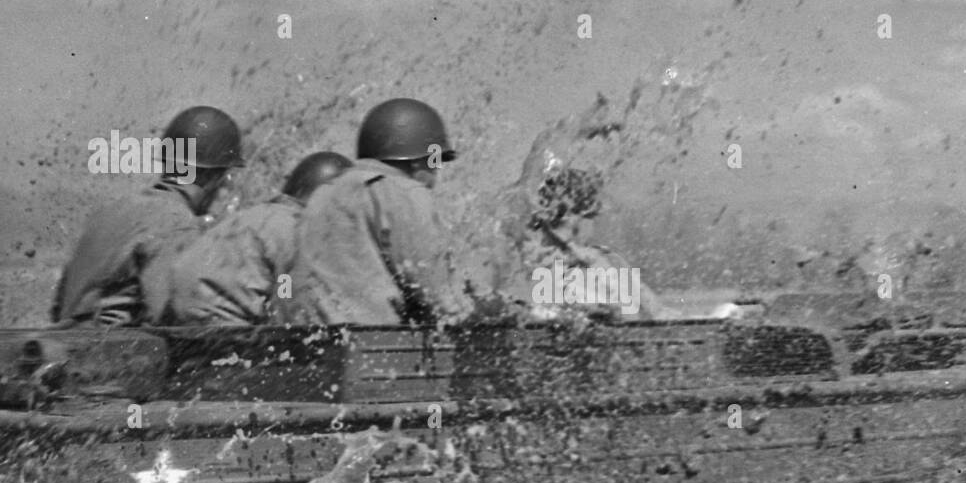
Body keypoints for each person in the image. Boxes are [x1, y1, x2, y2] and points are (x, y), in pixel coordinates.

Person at [276, 98, 469, 326]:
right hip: (372, 347)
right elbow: (439, 296)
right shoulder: (404, 192)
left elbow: (284, 283)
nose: (436, 175)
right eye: (435, 162)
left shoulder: (324, 193)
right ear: (419, 162)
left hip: (303, 343)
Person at [51, 106, 244, 327]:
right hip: (107, 354)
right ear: (211, 175)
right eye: (226, 176)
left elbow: (59, 304)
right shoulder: (175, 222)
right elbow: (174, 316)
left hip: (63, 344)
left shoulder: (111, 211)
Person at [490, 165, 743, 323]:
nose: (595, 224)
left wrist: (715, 315)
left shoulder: (602, 261)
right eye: (590, 217)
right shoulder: (545, 264)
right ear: (569, 218)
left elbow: (658, 314)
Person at [165, 150, 352, 325]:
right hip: (223, 329)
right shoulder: (293, 229)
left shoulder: (253, 216)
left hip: (182, 323)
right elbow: (287, 296)